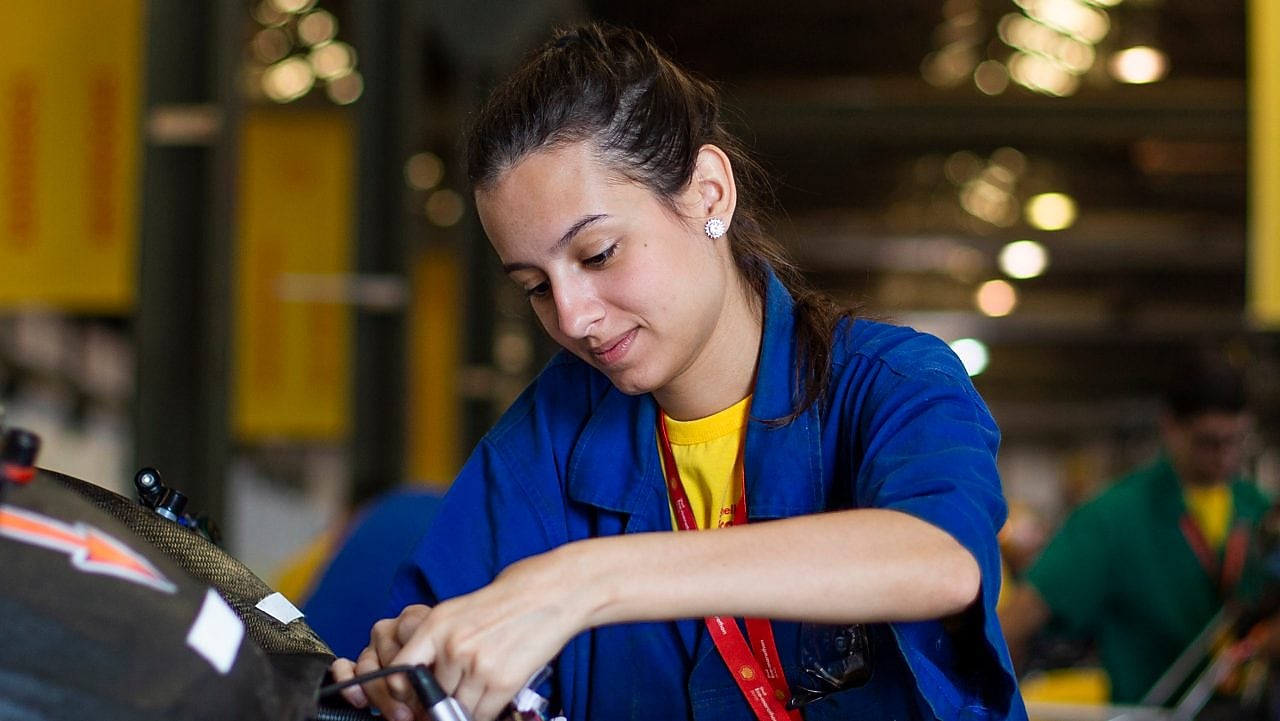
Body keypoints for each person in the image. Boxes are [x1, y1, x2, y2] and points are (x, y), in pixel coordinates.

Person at [331, 22, 1026, 721]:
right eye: (535, 286)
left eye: (598, 253)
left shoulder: (891, 382)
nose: (572, 317)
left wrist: (582, 582)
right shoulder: (545, 441)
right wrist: (421, 658)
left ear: (708, 195)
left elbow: (938, 558)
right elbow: (434, 618)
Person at [1000, 354, 1271, 708]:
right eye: (1208, 442)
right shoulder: (1112, 518)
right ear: (1170, 427)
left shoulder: (1262, 511)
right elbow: (1017, 621)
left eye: (1236, 440)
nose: (1224, 456)